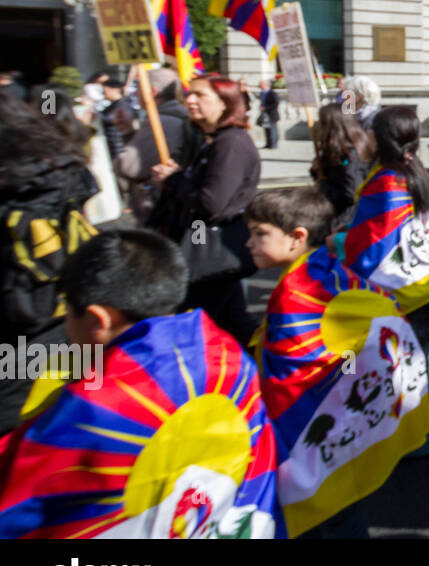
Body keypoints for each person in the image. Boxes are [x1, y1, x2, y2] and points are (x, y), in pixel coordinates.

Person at [0, 230, 280, 538]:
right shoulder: (226, 354)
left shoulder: (97, 404)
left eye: (67, 309)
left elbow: (21, 500)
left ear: (98, 320)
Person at [245, 186, 429, 539]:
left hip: (305, 430)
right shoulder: (326, 268)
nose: (249, 243)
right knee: (339, 508)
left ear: (297, 237)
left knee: (319, 512)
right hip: (337, 422)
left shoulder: (293, 295)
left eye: (259, 234)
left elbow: (290, 380)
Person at [0, 92, 99, 435]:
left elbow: (210, 208)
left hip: (19, 337)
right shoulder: (59, 170)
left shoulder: (16, 192)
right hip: (68, 323)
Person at [149, 74, 261, 345]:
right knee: (231, 321)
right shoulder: (211, 140)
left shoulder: (230, 143)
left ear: (225, 103)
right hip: (211, 253)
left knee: (193, 324)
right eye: (189, 94)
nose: (190, 100)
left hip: (209, 250)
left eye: (200, 95)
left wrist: (173, 179)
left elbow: (211, 205)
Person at [343, 105, 429, 341]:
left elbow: (371, 247)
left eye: (371, 130)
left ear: (380, 138)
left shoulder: (387, 183)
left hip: (417, 294)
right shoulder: (413, 170)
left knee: (420, 371)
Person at [113, 67, 200, 226]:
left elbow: (128, 166)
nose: (135, 93)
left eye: (138, 88)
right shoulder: (179, 115)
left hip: (161, 206)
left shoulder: (161, 122)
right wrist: (128, 130)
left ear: (151, 91)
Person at [310, 102, 373, 231]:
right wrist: (317, 171)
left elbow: (351, 193)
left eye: (322, 123)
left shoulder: (350, 155)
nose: (319, 127)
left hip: (346, 221)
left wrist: (323, 183)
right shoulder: (341, 149)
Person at [257, 79, 281, 150]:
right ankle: (268, 144)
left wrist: (266, 108)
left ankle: (274, 145)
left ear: (265, 85)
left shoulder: (272, 93)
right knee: (266, 129)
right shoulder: (262, 93)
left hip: (272, 114)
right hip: (265, 114)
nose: (259, 86)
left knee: (273, 130)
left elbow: (275, 103)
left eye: (260, 84)